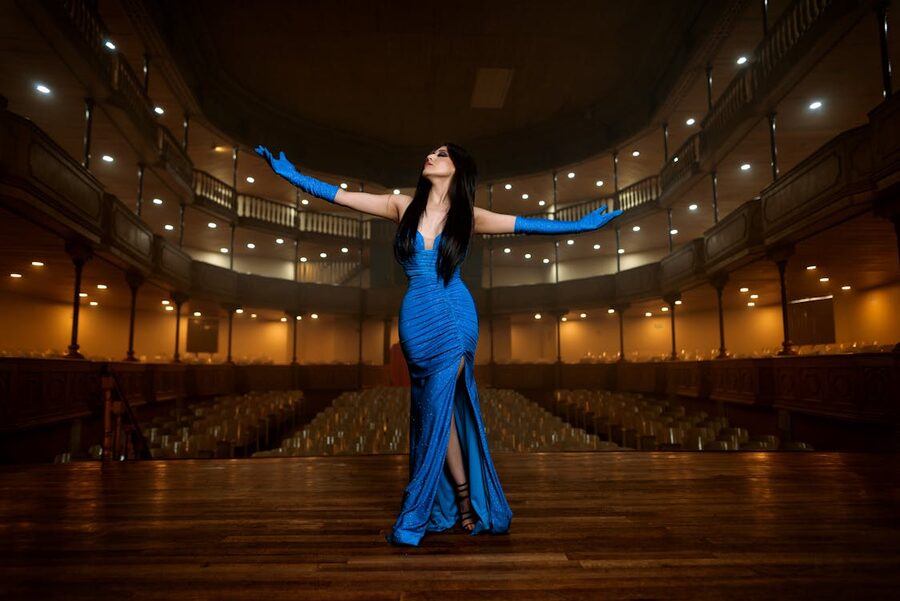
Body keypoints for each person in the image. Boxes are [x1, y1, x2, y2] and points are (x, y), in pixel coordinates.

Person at [254, 142, 622, 546]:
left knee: (438, 409)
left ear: (457, 168)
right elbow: (342, 197)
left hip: (456, 315)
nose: (430, 156)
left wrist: (579, 226)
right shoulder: (401, 206)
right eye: (431, 153)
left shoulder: (469, 216)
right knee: (435, 413)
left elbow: (528, 224)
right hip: (416, 317)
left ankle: (450, 504)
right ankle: (460, 500)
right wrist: (293, 176)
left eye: (441, 154)